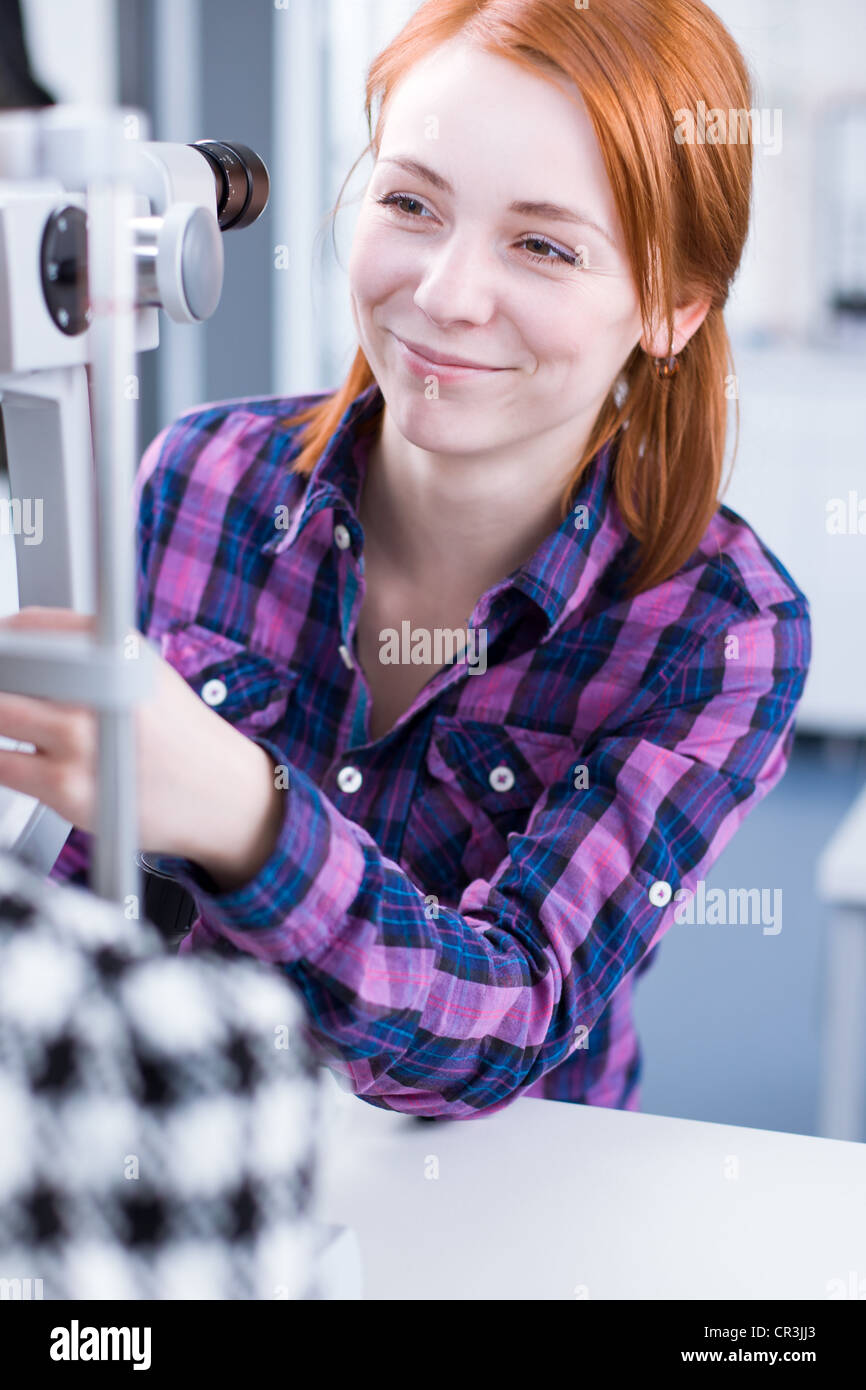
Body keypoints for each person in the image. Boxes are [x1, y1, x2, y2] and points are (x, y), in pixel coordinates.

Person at [22, 0, 809, 1118]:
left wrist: (249, 815)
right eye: (409, 203)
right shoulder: (198, 477)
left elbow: (518, 1011)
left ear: (672, 307)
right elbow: (81, 905)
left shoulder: (720, 633)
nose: (444, 296)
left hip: (512, 1203)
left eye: (541, 244)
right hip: (189, 1157)